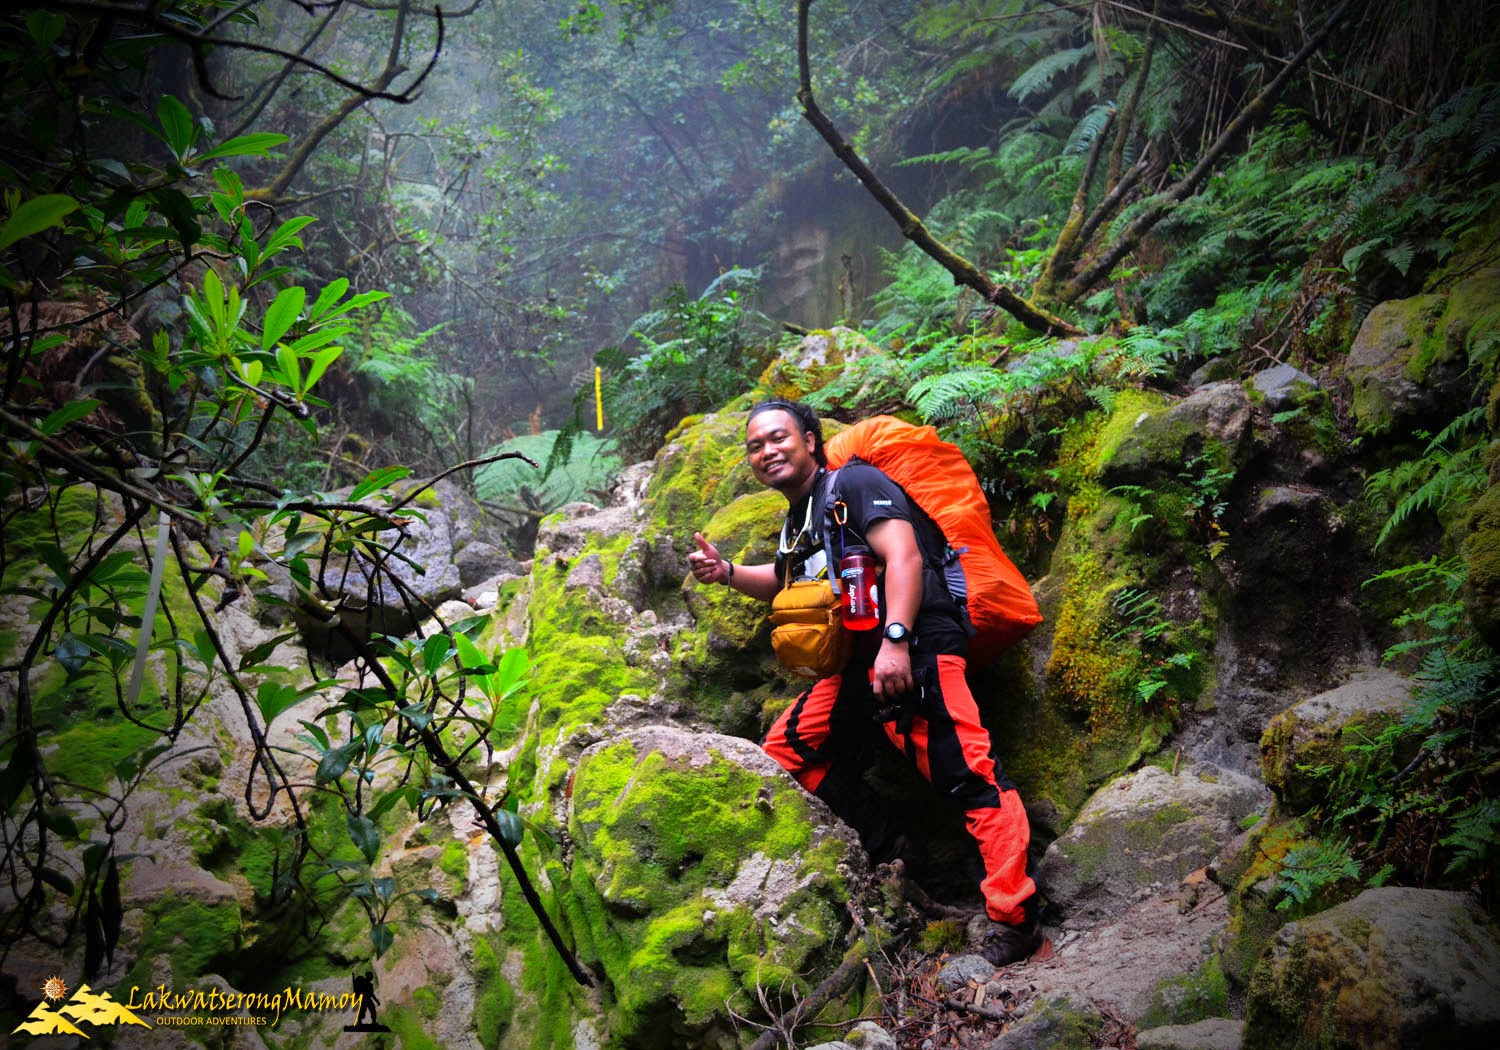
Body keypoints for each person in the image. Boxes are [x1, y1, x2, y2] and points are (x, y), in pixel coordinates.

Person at [687, 400, 1041, 966]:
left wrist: (897, 641)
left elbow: (903, 555)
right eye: (755, 446)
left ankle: (1015, 918)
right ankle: (894, 850)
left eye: (778, 438)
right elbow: (784, 580)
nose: (767, 451)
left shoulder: (853, 484)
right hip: (859, 662)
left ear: (809, 440)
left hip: (916, 646)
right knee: (784, 755)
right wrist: (726, 573)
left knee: (970, 775)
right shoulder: (802, 516)